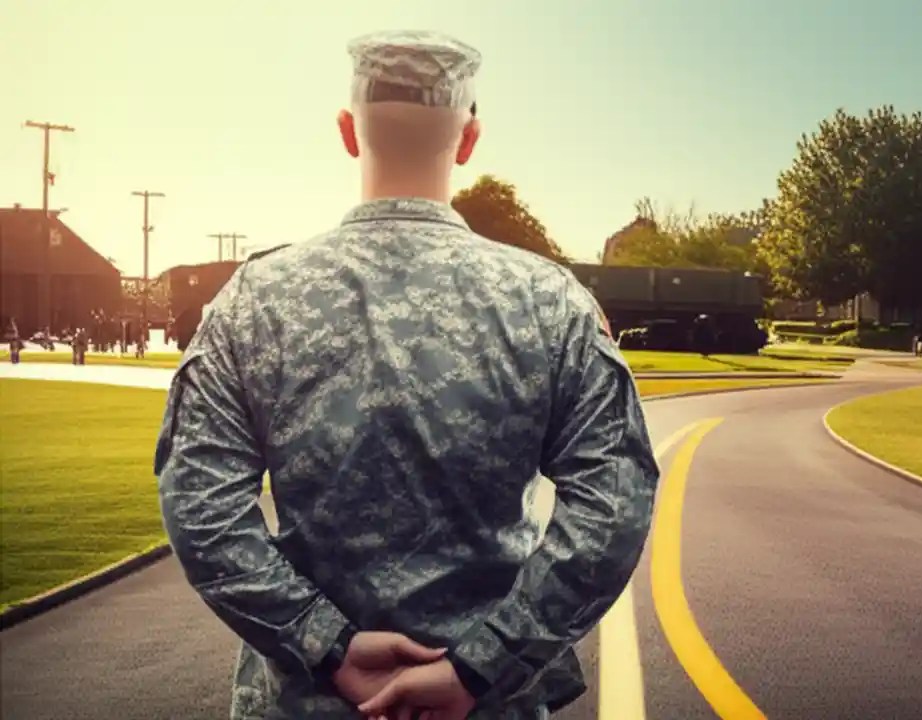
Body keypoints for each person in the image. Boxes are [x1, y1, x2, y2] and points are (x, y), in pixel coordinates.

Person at [155, 30, 660, 720]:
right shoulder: (551, 303)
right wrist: (481, 667)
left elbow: (200, 508)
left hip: (311, 704)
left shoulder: (255, 302)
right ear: (470, 138)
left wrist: (325, 644)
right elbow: (615, 506)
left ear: (347, 132)